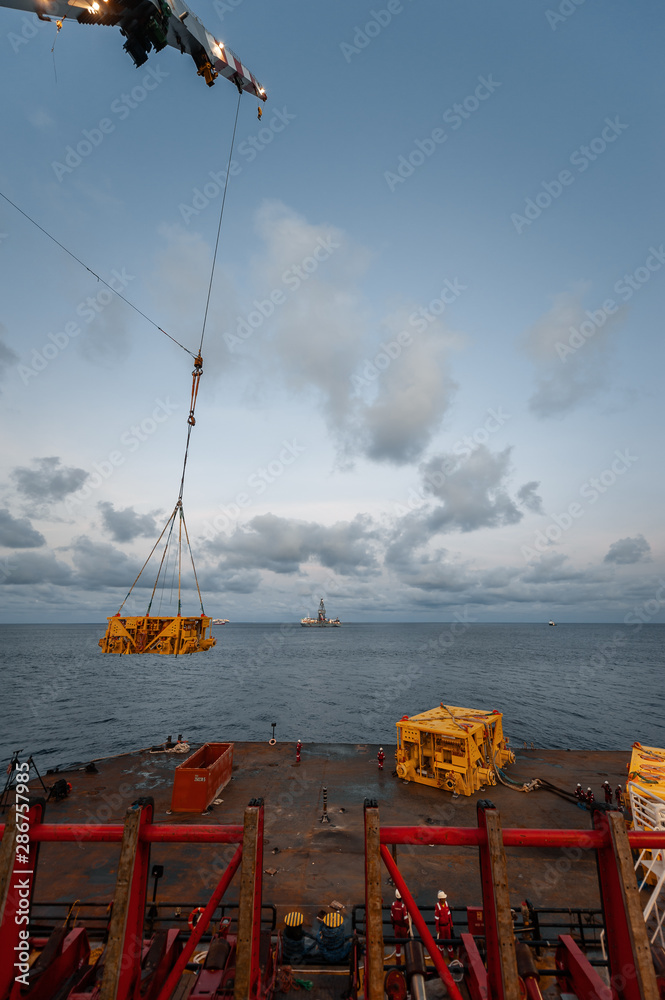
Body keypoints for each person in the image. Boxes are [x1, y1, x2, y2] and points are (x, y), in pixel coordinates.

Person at [390, 889, 410, 959]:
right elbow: (405, 919)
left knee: (397, 944)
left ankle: (398, 961)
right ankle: (408, 959)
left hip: (396, 927)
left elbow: (392, 917)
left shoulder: (393, 905)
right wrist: (407, 926)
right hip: (403, 927)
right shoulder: (403, 906)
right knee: (406, 943)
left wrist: (393, 925)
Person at [434, 890, 454, 958]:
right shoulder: (437, 906)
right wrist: (437, 929)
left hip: (447, 926)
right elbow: (436, 918)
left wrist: (451, 924)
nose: (445, 899)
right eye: (444, 898)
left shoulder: (446, 904)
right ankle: (440, 956)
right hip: (441, 927)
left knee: (449, 941)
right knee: (441, 943)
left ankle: (451, 956)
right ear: (441, 899)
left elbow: (449, 915)